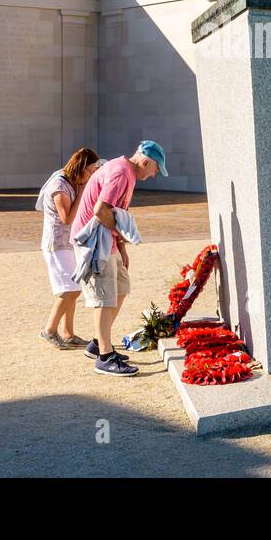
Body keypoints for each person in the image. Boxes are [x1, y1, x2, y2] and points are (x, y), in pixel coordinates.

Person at [73, 141, 168, 377]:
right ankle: (104, 358)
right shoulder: (121, 172)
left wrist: (122, 246)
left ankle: (97, 343)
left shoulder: (127, 172)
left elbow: (116, 212)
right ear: (146, 161)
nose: (155, 174)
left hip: (108, 241)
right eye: (156, 169)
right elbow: (101, 211)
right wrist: (121, 233)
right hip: (95, 242)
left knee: (120, 290)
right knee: (105, 298)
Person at [37, 147, 101, 349]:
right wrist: (83, 191)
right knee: (69, 289)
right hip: (56, 244)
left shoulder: (72, 183)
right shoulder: (59, 184)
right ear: (81, 167)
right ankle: (49, 330)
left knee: (74, 289)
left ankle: (67, 333)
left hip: (68, 243)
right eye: (90, 171)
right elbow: (67, 218)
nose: (92, 175)